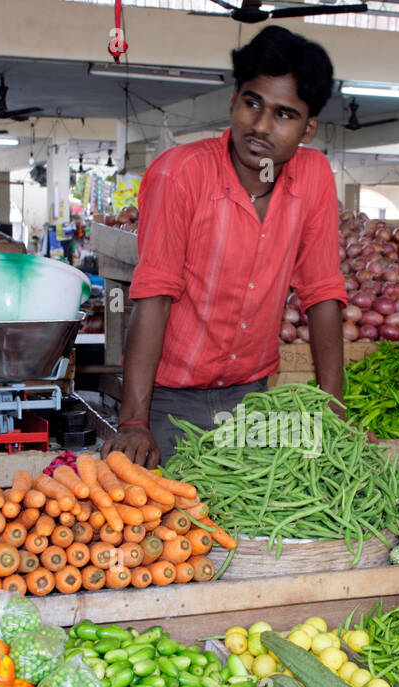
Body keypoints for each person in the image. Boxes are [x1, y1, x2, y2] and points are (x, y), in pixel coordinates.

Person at [101, 26, 347, 467]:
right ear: (233, 101)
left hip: (251, 397)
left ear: (308, 128)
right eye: (253, 103)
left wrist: (334, 409)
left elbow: (322, 291)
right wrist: (135, 421)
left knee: (245, 521)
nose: (261, 126)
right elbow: (154, 294)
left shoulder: (314, 177)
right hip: (167, 398)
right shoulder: (179, 175)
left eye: (284, 115)